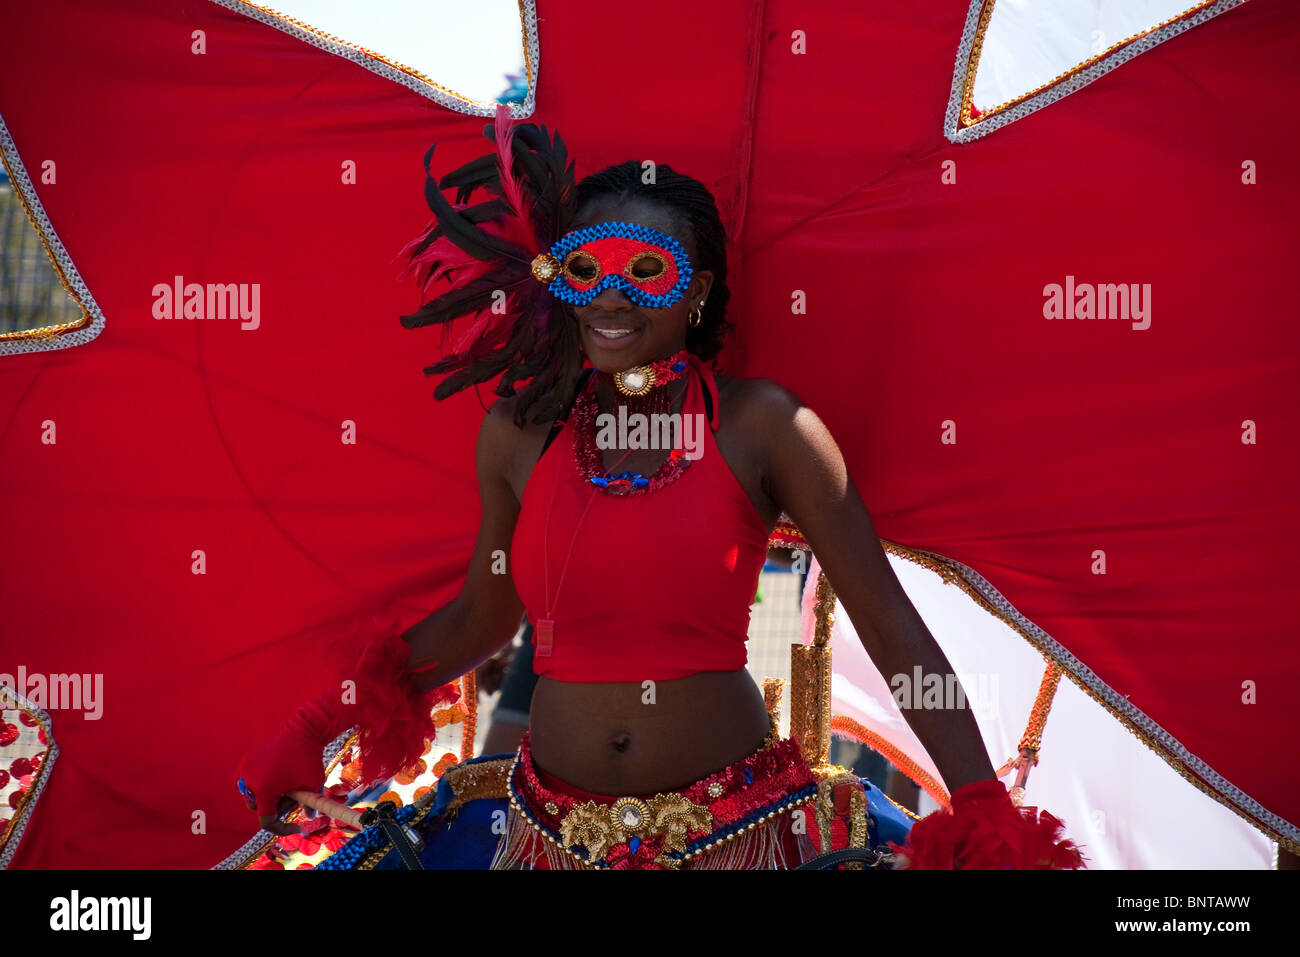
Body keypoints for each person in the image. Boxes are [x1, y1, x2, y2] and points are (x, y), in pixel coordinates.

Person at [236, 108, 1084, 870]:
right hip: (543, 837)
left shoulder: (764, 428)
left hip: (743, 836)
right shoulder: (520, 434)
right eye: (585, 268)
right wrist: (314, 726)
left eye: (646, 271)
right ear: (553, 277)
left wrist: (979, 811)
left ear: (698, 291)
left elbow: (889, 623)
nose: (609, 296)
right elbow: (480, 619)